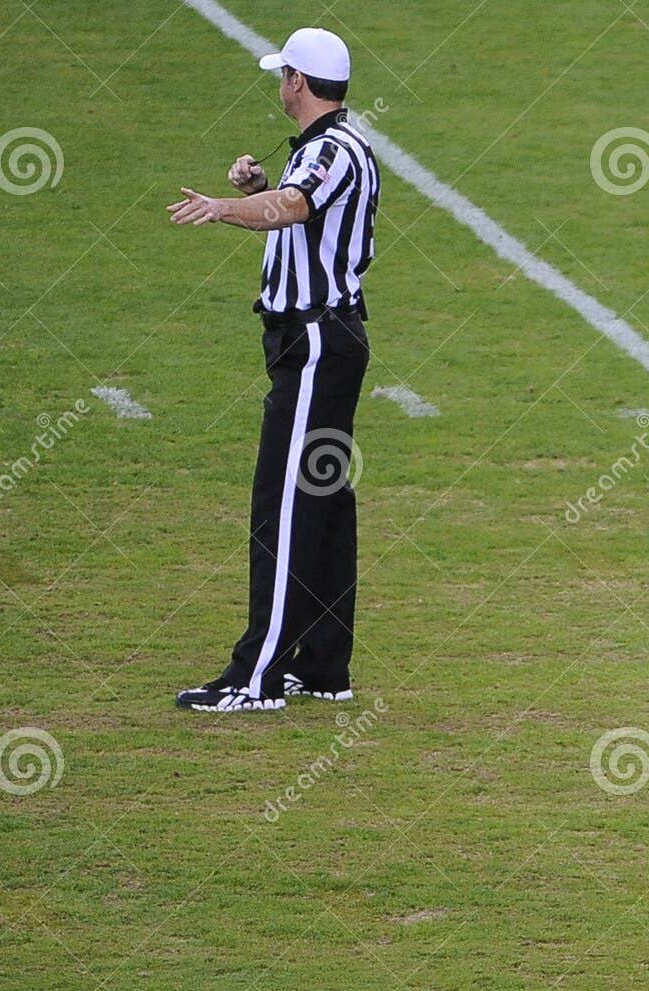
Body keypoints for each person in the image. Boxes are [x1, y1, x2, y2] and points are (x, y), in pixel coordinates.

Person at [170, 27, 379, 712]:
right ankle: (322, 666)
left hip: (316, 342)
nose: (279, 85)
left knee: (285, 505)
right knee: (322, 503)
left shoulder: (331, 150)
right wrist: (261, 187)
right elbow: (297, 210)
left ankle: (255, 676)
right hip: (324, 341)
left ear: (298, 81)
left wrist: (227, 207)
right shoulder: (327, 150)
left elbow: (295, 209)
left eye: (282, 75)